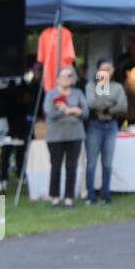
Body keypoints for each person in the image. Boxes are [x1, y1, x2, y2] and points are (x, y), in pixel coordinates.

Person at [83, 57, 127, 206]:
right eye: (104, 69)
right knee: (91, 162)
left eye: (109, 69)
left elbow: (122, 106)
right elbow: (91, 103)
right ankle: (90, 195)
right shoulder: (91, 86)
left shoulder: (118, 87)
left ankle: (105, 194)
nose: (107, 71)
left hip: (111, 126)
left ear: (113, 71)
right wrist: (109, 101)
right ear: (97, 71)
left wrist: (106, 109)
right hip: (95, 125)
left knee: (107, 163)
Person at [43, 65, 87, 207]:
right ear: (58, 79)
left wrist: (68, 109)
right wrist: (70, 111)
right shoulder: (51, 94)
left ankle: (69, 197)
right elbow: (50, 114)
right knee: (56, 166)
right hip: (55, 136)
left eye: (70, 76)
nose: (68, 78)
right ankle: (54, 196)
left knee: (71, 166)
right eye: (65, 76)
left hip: (75, 135)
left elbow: (85, 113)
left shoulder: (78, 93)